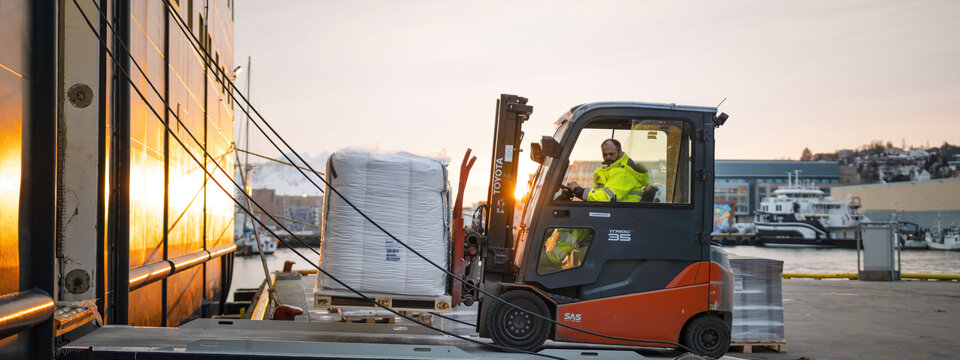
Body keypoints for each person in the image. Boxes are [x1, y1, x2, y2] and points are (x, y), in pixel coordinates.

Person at [568, 139, 655, 202]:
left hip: (625, 215)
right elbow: (600, 193)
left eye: (611, 154)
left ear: (620, 152)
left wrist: (579, 190)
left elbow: (607, 197)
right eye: (605, 155)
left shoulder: (623, 172)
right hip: (615, 211)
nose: (608, 157)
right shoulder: (607, 170)